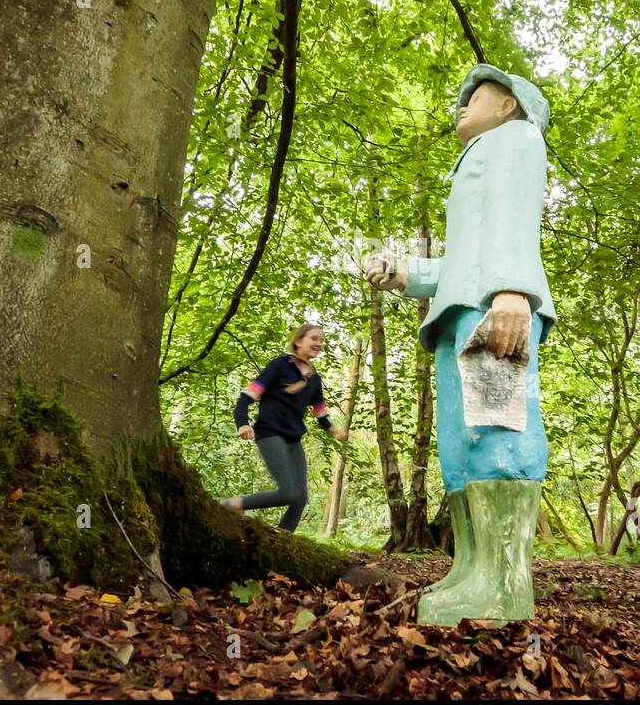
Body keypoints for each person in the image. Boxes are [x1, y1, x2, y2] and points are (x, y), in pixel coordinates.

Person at [365, 63, 555, 625]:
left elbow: (515, 219)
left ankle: (504, 585)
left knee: (497, 428)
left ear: (510, 106)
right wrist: (407, 273)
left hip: (498, 306)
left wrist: (513, 291)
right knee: (462, 442)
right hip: (463, 312)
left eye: (480, 94)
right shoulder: (476, 159)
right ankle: (472, 569)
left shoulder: (517, 140)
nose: (464, 102)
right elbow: (464, 256)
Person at [221, 323, 345, 533]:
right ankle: (227, 504)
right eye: (314, 339)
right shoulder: (280, 366)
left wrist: (332, 429)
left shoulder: (314, 379)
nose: (319, 344)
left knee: (300, 498)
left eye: (321, 340)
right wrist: (242, 422)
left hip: (293, 439)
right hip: (270, 433)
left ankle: (281, 539)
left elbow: (319, 411)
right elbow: (248, 395)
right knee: (288, 492)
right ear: (298, 341)